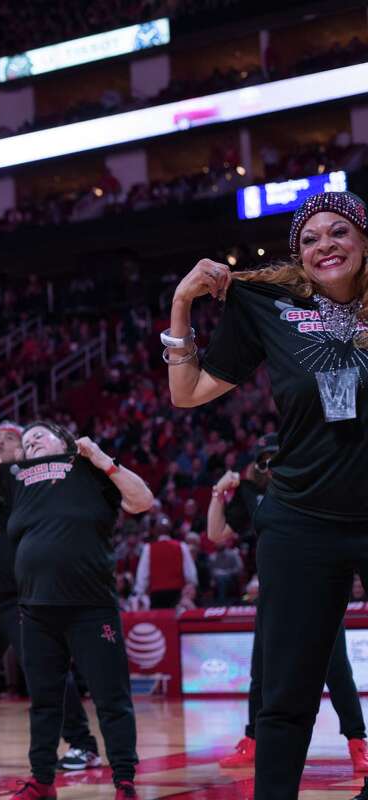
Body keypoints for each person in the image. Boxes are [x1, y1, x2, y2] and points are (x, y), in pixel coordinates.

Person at [165, 191, 368, 799]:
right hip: (301, 521)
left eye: (339, 231)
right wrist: (181, 304)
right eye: (310, 238)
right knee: (287, 691)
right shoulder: (272, 308)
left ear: (364, 241)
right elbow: (188, 392)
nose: (325, 244)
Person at [0, 421, 153, 799]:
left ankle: (124, 780)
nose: (32, 442)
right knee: (43, 702)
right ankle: (42, 780)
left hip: (92, 607)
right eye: (27, 442)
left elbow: (142, 501)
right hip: (36, 611)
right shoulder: (18, 481)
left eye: (40, 435)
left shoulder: (90, 469)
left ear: (65, 441)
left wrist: (102, 458)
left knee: (111, 698)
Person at [0, 425, 105, 769]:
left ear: (22, 451)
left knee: (46, 673)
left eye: (9, 438)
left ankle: (83, 744)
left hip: (21, 595)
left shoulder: (29, 480)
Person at [207, 436, 368, 772]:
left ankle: (357, 742)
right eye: (264, 459)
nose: (269, 465)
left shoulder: (314, 486)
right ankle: (253, 741)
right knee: (261, 672)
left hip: (321, 586)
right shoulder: (252, 494)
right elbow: (216, 534)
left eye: (275, 457)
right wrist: (217, 493)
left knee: (337, 670)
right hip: (274, 593)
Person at [133, 524, 198, 609]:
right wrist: (192, 584)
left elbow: (142, 574)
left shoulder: (148, 548)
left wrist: (139, 592)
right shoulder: (181, 546)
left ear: (156, 533)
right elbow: (190, 572)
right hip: (176, 593)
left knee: (159, 617)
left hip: (156, 594)